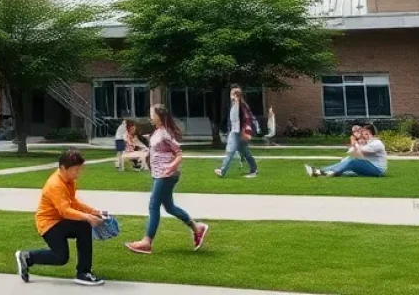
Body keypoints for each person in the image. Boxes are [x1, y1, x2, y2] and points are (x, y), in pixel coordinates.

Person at [14, 149, 106, 286]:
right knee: (61, 257)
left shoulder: (69, 180)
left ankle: (83, 272)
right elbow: (65, 211)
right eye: (75, 170)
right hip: (48, 224)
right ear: (63, 168)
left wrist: (94, 211)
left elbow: (73, 202)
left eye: (79, 170)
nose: (78, 174)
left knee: (84, 227)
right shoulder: (55, 184)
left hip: (60, 221)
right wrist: (87, 216)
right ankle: (27, 257)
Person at [125, 104, 208, 255]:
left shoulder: (166, 133)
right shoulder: (157, 132)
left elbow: (179, 154)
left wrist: (170, 167)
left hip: (166, 175)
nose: (150, 117)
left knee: (153, 205)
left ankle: (147, 242)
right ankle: (197, 228)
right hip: (159, 174)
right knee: (169, 207)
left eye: (152, 114)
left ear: (159, 116)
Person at [306, 122, 387, 178]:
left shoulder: (376, 143)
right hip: (370, 166)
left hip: (378, 170)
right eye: (363, 134)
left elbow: (359, 153)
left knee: (352, 162)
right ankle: (322, 172)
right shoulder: (366, 143)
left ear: (371, 133)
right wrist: (355, 144)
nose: (363, 135)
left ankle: (321, 171)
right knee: (347, 162)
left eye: (365, 133)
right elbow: (351, 153)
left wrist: (355, 142)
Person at [214, 86, 258, 179]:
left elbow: (247, 119)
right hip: (236, 132)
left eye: (232, 94)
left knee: (231, 152)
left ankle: (222, 171)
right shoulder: (237, 105)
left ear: (235, 95)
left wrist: (245, 132)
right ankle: (254, 169)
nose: (231, 96)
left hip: (238, 133)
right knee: (245, 152)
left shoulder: (241, 106)